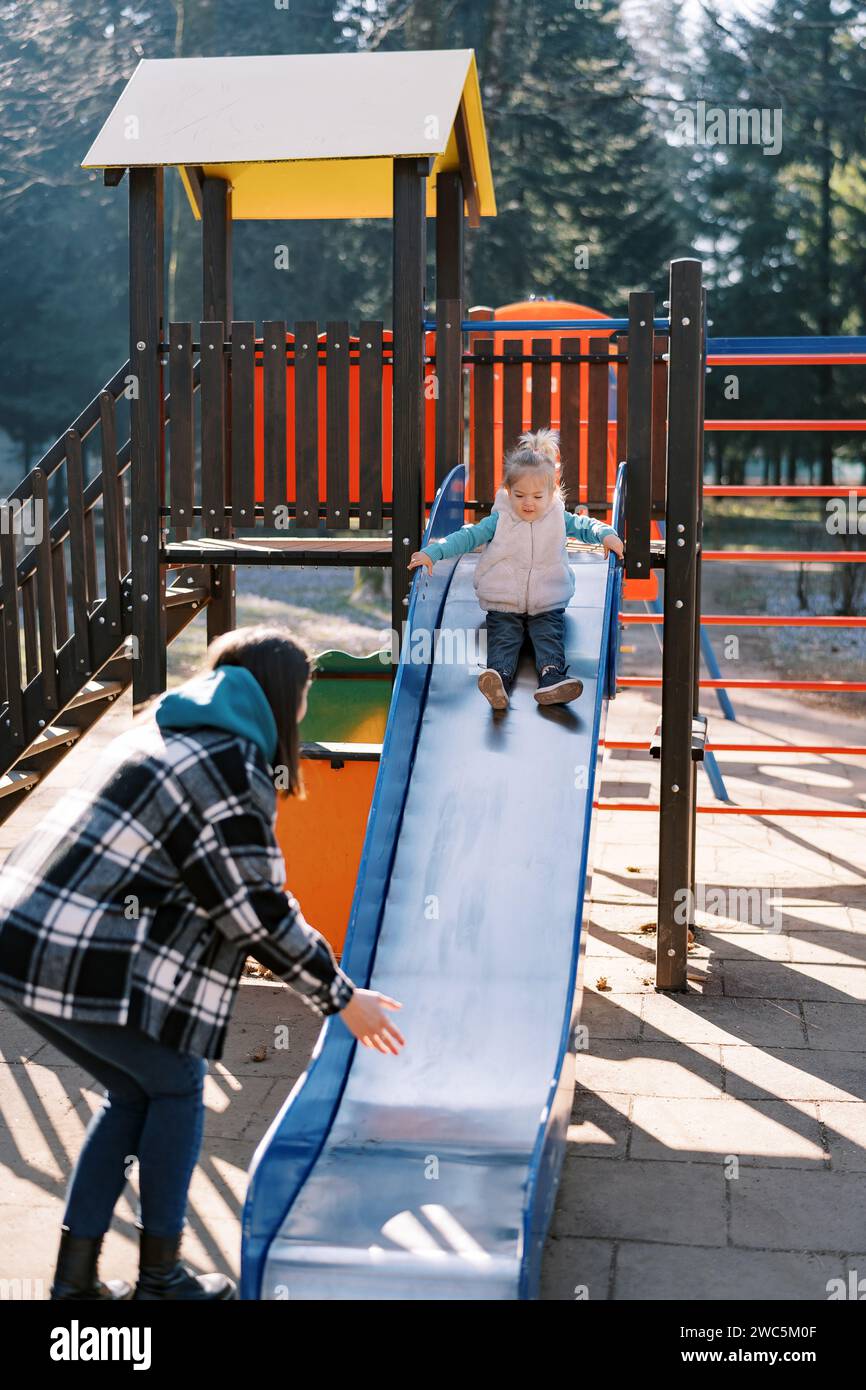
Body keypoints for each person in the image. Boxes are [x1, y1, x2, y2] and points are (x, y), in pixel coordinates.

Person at [0, 625, 404, 1301]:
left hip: (22, 940)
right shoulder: (228, 764)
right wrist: (340, 997)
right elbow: (254, 910)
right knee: (178, 1085)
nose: (303, 710)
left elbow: (206, 885)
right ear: (282, 694)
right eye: (303, 695)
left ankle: (75, 1283)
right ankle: (160, 1276)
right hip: (63, 952)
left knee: (136, 1092)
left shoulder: (163, 731)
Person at [409, 429, 624, 708]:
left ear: (552, 492)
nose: (528, 503)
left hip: (547, 601)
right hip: (504, 601)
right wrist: (433, 552)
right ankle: (497, 680)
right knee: (504, 638)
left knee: (549, 637)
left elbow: (586, 526)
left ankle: (551, 679)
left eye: (537, 496)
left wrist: (606, 533)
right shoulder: (500, 519)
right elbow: (466, 536)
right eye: (520, 495)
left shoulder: (558, 516)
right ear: (508, 491)